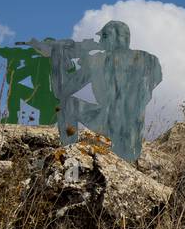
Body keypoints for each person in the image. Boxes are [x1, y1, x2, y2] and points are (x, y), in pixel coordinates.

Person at [26, 21, 162, 162]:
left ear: (109, 37)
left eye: (102, 38)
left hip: (107, 122)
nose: (99, 42)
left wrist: (57, 53)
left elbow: (61, 91)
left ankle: (70, 155)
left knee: (67, 104)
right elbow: (154, 82)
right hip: (134, 135)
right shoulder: (151, 60)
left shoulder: (96, 61)